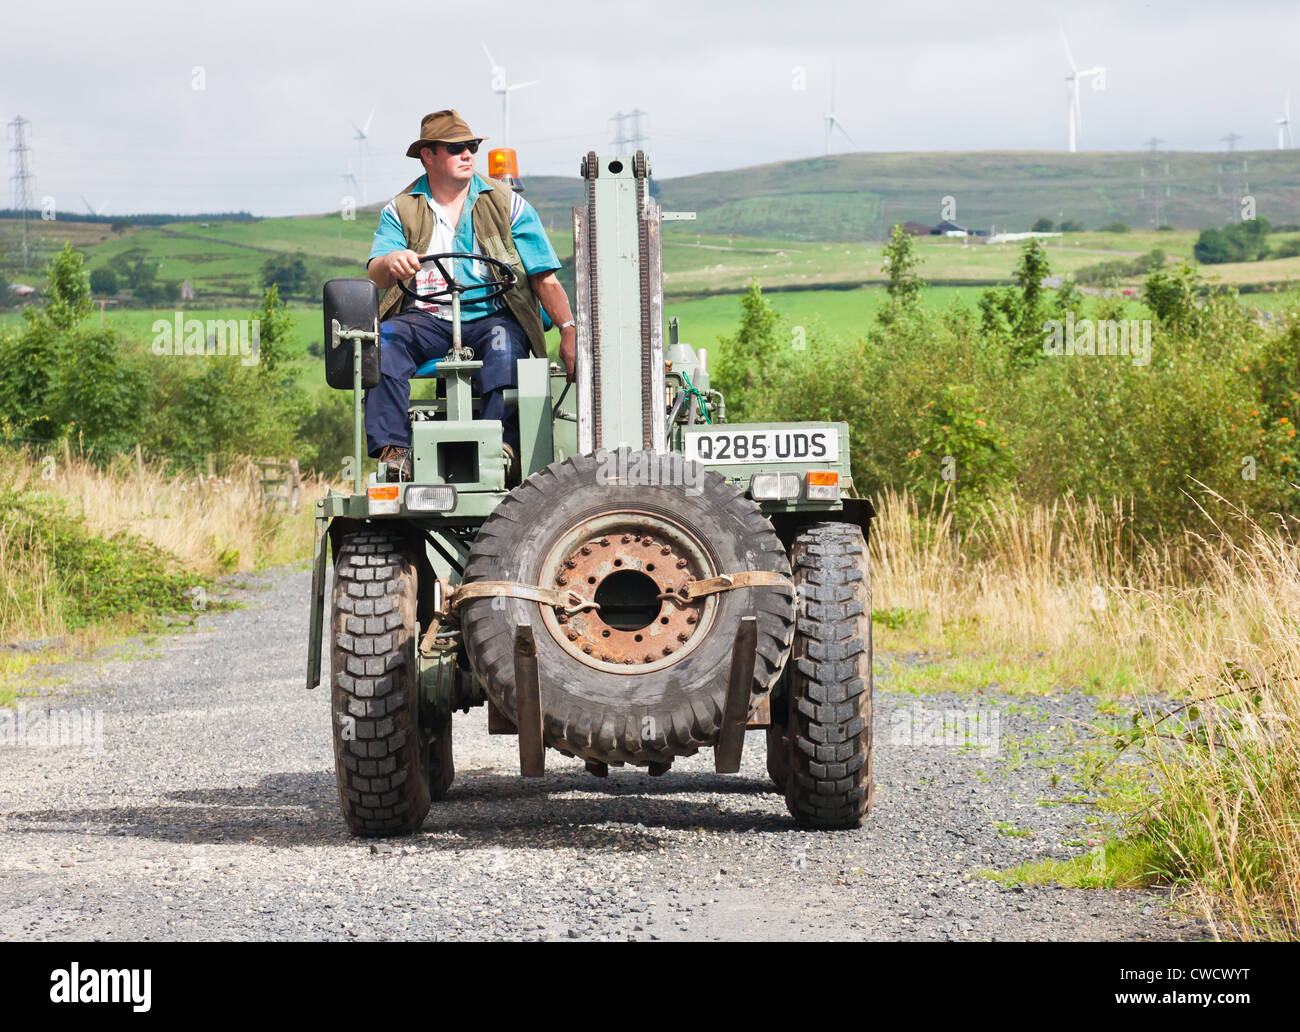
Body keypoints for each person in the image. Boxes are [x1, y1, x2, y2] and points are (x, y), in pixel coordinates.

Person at [365, 109, 576, 484]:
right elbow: (377, 273)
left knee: (504, 344)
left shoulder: (507, 204)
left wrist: (569, 330)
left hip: (490, 314)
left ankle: (500, 448)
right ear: (428, 156)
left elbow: (545, 278)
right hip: (425, 318)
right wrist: (391, 261)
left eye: (472, 146)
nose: (467, 154)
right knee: (386, 341)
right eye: (455, 147)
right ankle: (394, 451)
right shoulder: (401, 209)